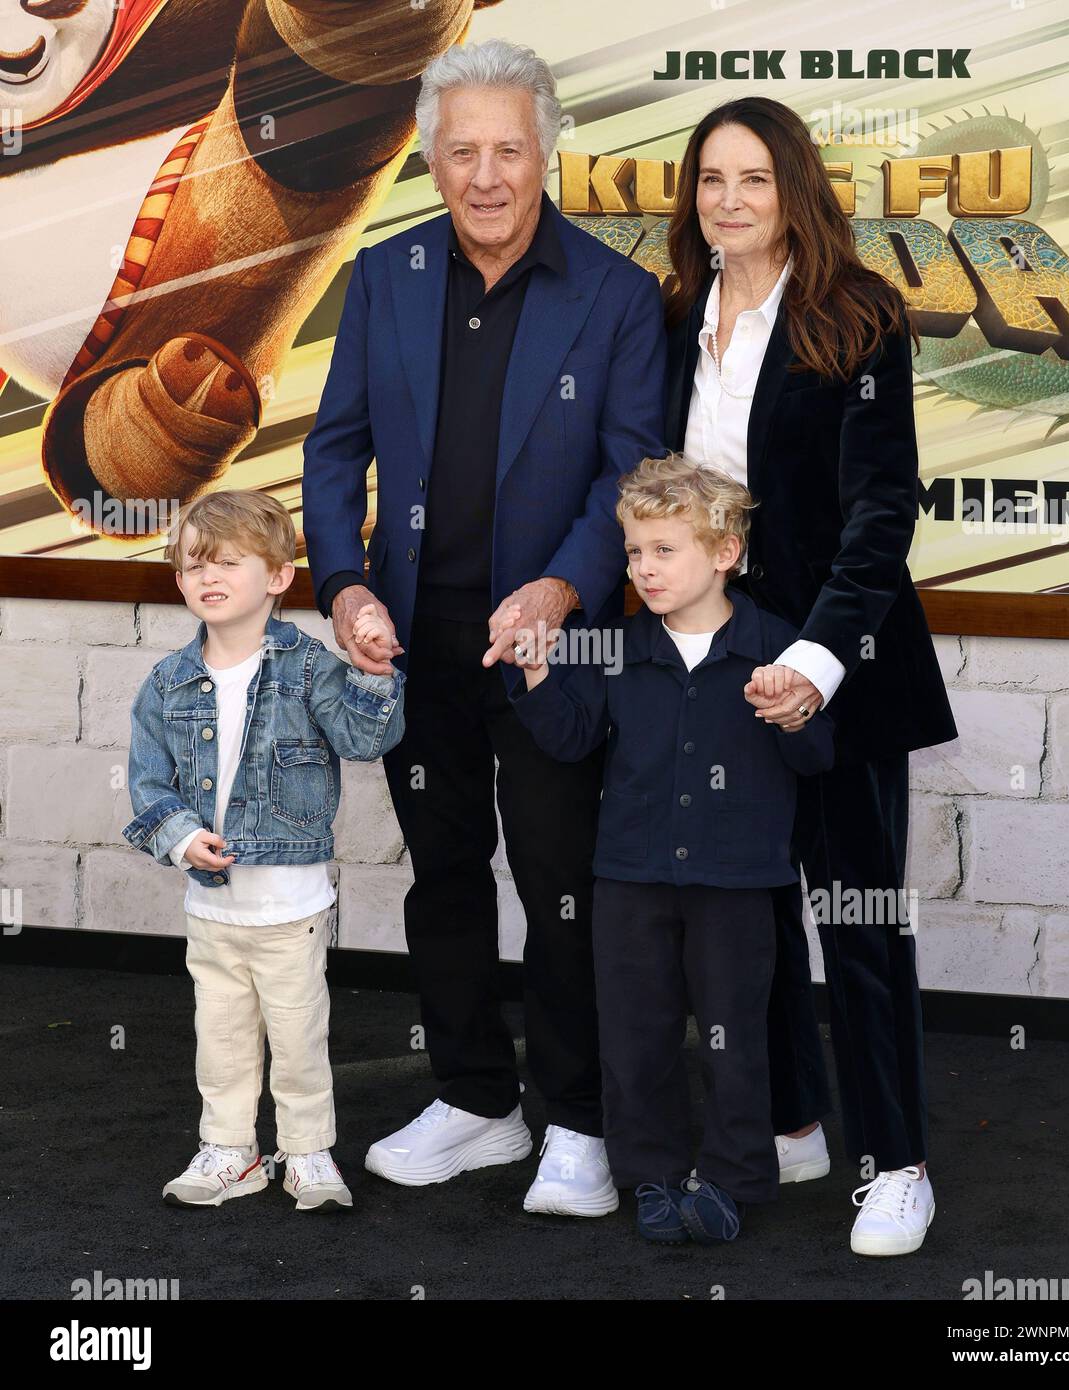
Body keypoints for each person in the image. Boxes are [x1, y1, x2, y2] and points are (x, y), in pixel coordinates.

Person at [301, 39, 666, 1216]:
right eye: (462, 150)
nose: (488, 173)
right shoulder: (383, 272)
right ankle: (474, 1100)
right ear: (429, 157)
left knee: (562, 878)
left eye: (509, 148)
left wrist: (560, 591)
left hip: (553, 645)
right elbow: (333, 446)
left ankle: (578, 1122)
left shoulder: (615, 294)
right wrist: (346, 584)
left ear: (547, 151)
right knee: (443, 870)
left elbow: (632, 474)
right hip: (415, 641)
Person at [664, 97, 958, 1255]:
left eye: (753, 178)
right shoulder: (678, 308)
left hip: (846, 659)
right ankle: (791, 1117)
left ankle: (900, 1162)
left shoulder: (858, 314)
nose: (729, 200)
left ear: (795, 188)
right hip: (719, 657)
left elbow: (885, 513)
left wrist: (817, 659)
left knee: (859, 916)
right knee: (748, 909)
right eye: (710, 180)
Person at [497, 455, 833, 1243]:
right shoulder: (614, 647)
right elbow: (572, 740)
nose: (643, 568)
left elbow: (819, 761)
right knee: (635, 1035)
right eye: (633, 551)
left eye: (664, 550)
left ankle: (731, 1178)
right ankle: (646, 1176)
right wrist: (538, 674)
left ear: (724, 553)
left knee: (734, 1035)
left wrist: (794, 716)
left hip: (738, 881)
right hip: (629, 880)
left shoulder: (779, 649)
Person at [122, 490, 406, 1212]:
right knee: (220, 1043)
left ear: (279, 576)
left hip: (292, 908)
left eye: (226, 562)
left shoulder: (310, 669)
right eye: (191, 566)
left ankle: (307, 1153)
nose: (205, 576)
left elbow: (363, 741)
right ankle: (229, 1150)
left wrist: (373, 675)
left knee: (298, 1040)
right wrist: (182, 837)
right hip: (212, 911)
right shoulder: (166, 682)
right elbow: (148, 780)